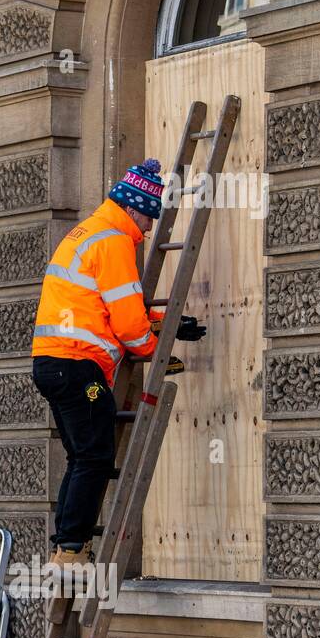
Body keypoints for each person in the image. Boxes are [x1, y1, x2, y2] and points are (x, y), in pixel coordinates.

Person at [30, 159, 206, 568]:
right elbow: (128, 326)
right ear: (132, 208)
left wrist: (169, 326)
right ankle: (72, 550)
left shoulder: (89, 233)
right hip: (79, 369)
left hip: (56, 365)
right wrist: (154, 352)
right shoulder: (113, 241)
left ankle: (66, 548)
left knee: (82, 455)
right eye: (148, 216)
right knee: (95, 456)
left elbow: (107, 310)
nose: (149, 228)